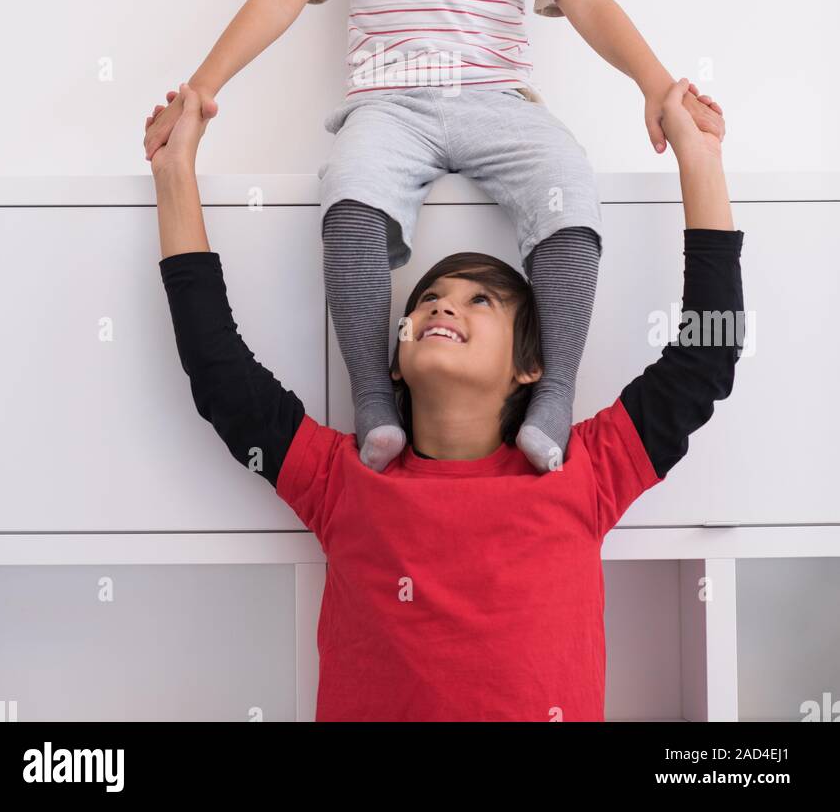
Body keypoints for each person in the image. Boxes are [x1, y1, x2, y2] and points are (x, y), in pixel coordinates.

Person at [143, 0, 724, 477]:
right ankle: (373, 399)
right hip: (389, 107)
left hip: (497, 103)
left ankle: (554, 391)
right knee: (348, 191)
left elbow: (586, 4)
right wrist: (202, 86)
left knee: (568, 185)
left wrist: (655, 84)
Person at [151, 76, 745, 723]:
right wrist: (173, 170)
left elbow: (704, 358)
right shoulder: (341, 480)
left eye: (478, 300)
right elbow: (218, 371)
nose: (440, 303)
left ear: (530, 367)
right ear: (395, 363)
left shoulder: (584, 472)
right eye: (426, 300)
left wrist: (699, 158)